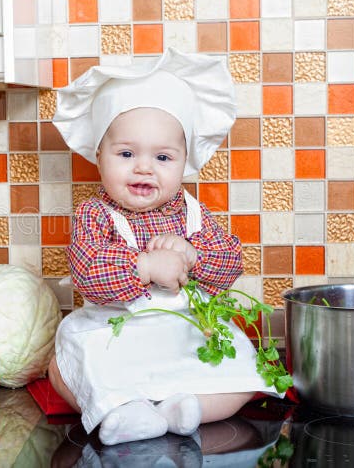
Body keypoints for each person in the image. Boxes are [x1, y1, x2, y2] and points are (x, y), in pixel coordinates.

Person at [47, 48, 281, 446]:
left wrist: (194, 255)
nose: (144, 167)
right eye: (126, 154)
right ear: (99, 156)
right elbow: (87, 273)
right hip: (115, 336)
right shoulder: (95, 214)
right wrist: (144, 266)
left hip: (185, 333)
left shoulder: (194, 213)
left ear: (185, 161)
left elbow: (231, 263)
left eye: (163, 157)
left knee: (242, 364)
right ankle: (126, 412)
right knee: (63, 366)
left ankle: (186, 407)